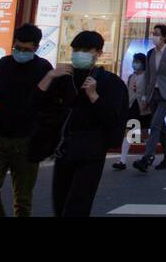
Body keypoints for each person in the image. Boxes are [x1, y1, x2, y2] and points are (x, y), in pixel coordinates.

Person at [36, 30, 128, 217]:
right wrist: (49, 77)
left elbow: (114, 119)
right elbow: (39, 107)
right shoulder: (63, 78)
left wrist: (94, 96)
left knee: (78, 206)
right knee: (59, 205)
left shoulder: (109, 82)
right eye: (76, 49)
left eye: (86, 50)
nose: (80, 54)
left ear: (98, 53)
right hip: (64, 149)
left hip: (91, 152)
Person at [0, 24, 52, 217]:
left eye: (25, 49)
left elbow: (48, 102)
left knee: (23, 198)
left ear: (36, 47)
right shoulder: (3, 64)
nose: (20, 52)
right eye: (17, 47)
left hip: (28, 138)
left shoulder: (44, 68)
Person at [133, 23, 166, 172]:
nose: (154, 36)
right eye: (153, 33)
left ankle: (147, 158)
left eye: (157, 33)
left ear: (164, 37)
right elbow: (149, 76)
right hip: (153, 94)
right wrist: (145, 96)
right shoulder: (151, 53)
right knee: (161, 127)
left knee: (155, 125)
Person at [113, 53, 148, 170]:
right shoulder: (131, 77)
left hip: (144, 108)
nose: (135, 64)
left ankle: (146, 158)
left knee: (144, 132)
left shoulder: (148, 77)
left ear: (143, 63)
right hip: (132, 106)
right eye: (134, 61)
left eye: (138, 61)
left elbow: (150, 90)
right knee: (129, 132)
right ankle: (122, 160)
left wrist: (145, 99)